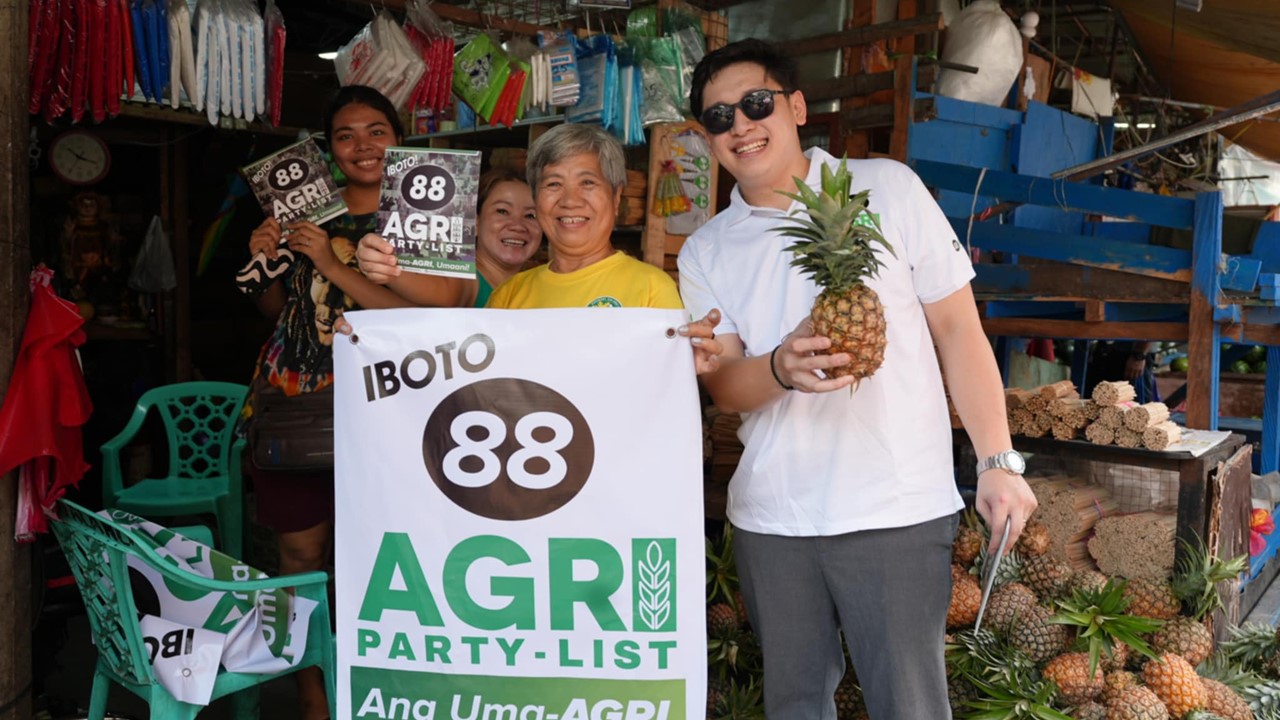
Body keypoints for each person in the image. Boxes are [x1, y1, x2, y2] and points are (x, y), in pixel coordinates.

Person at [679, 40, 1038, 719]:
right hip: (772, 519)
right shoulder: (706, 249)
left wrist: (997, 460)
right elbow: (724, 387)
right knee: (793, 705)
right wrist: (780, 368)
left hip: (896, 510)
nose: (740, 126)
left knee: (909, 705)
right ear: (709, 139)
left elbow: (958, 330)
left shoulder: (889, 189)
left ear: (795, 107)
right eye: (719, 117)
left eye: (755, 104)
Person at [241, 85, 432, 720]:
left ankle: (378, 690)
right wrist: (267, 262)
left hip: (390, 409)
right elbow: (284, 313)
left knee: (380, 561)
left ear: (399, 139)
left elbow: (426, 317)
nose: (363, 146)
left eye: (377, 130)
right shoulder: (308, 215)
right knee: (299, 558)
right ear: (328, 152)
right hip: (295, 405)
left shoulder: (422, 218)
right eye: (346, 135)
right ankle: (310, 696)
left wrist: (332, 261)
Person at [355, 167, 544, 306]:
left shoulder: (537, 279)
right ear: (475, 223)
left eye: (530, 215)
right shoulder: (467, 280)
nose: (518, 225)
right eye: (502, 211)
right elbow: (444, 292)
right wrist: (387, 268)